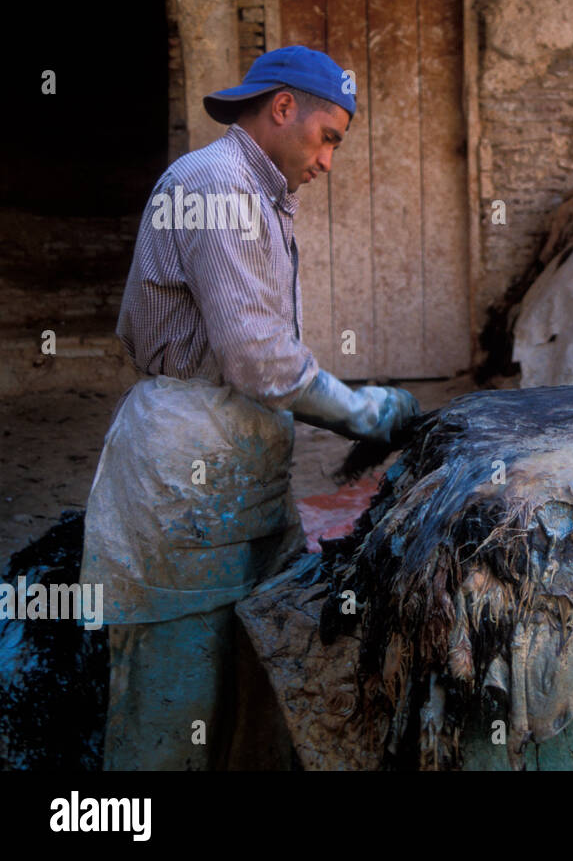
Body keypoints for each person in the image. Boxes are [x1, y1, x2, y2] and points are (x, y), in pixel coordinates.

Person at [80, 46, 420, 770]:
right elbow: (257, 358)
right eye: (328, 138)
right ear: (284, 107)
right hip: (183, 476)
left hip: (242, 473)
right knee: (169, 718)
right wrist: (367, 412)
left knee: (256, 700)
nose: (329, 162)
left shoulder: (260, 193)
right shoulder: (215, 184)